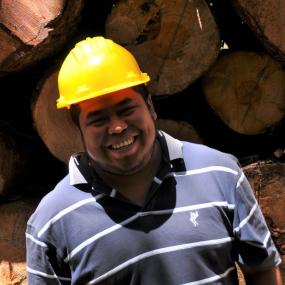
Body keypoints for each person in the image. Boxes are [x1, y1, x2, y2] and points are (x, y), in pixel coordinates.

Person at [26, 36, 283, 285]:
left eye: (126, 109)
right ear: (78, 127)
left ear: (150, 105)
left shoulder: (220, 173)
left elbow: (262, 269)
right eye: (98, 119)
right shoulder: (52, 222)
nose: (117, 127)